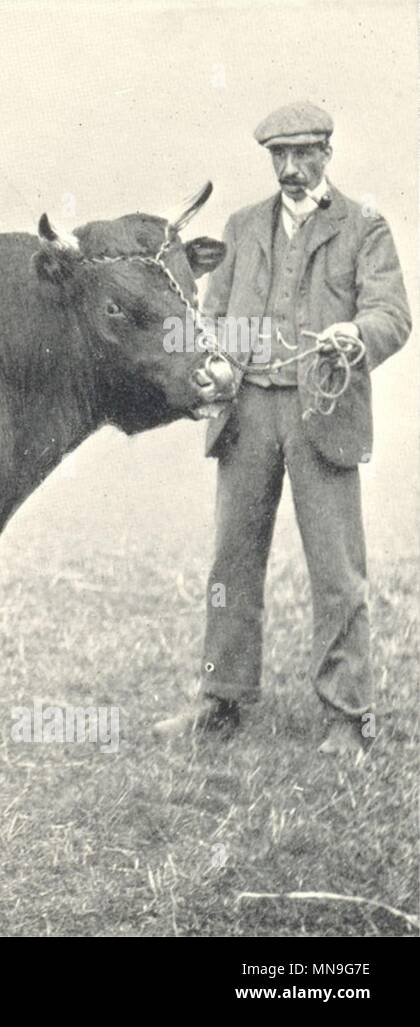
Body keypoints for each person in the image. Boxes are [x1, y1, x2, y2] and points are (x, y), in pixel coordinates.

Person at [153, 101, 411, 755]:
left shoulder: (365, 227)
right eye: (279, 157)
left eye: (303, 155)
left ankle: (348, 716)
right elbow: (214, 320)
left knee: (336, 569)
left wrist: (355, 332)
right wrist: (210, 369)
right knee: (230, 562)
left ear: (328, 152)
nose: (291, 169)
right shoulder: (242, 227)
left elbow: (392, 315)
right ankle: (221, 698)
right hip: (247, 413)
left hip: (322, 411)